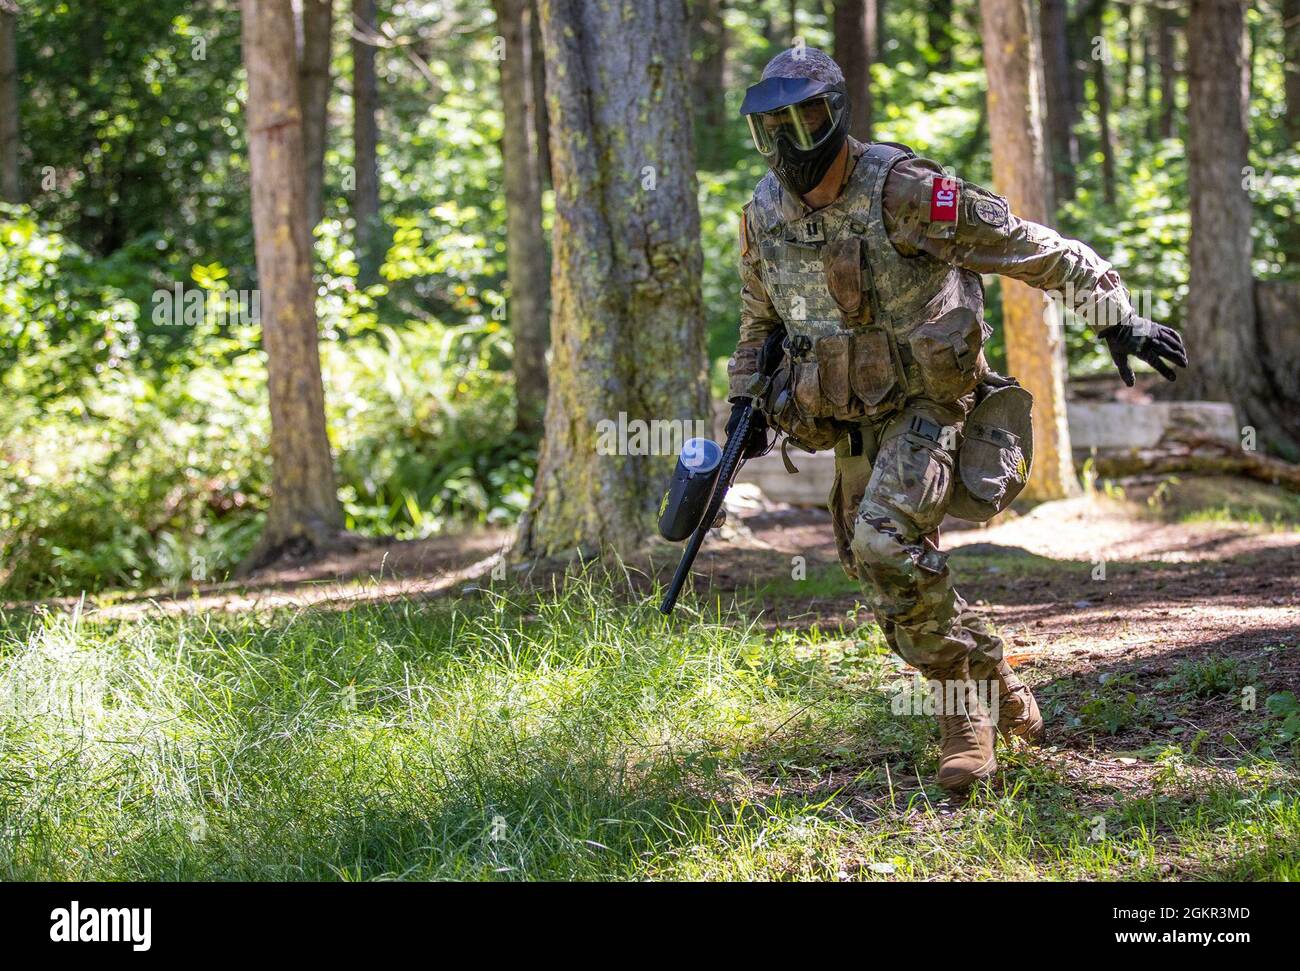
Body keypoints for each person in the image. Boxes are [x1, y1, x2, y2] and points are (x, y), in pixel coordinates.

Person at [725, 47, 1188, 792]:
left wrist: (1115, 315)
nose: (787, 139)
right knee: (887, 583)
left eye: (803, 118)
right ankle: (997, 675)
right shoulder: (765, 212)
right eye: (772, 123)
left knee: (883, 544)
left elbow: (1025, 244)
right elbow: (760, 320)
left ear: (834, 114)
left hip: (932, 404)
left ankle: (960, 711)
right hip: (845, 418)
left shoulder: (906, 192)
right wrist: (746, 406)